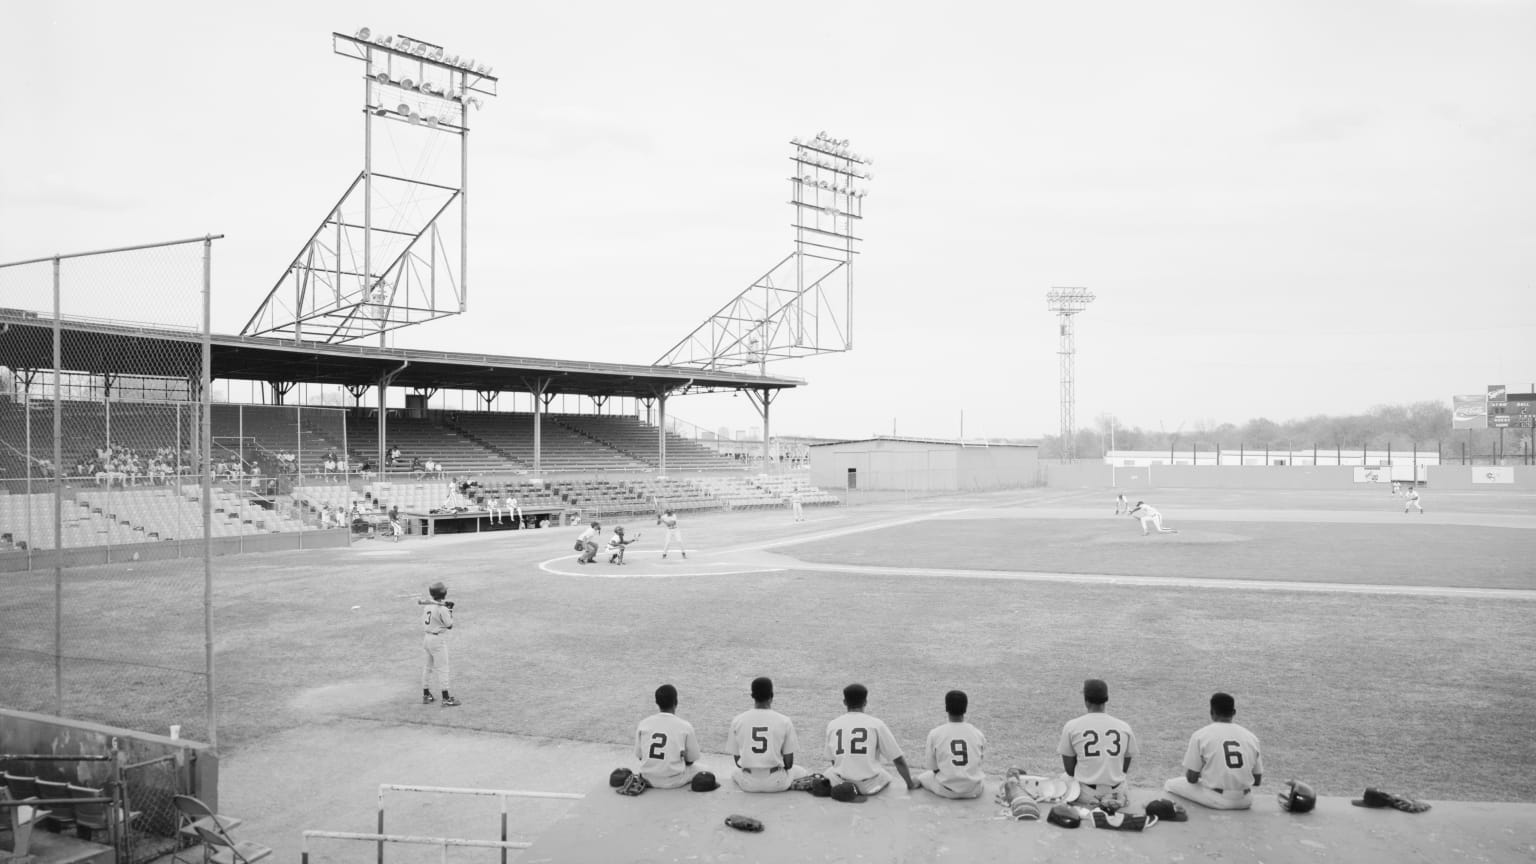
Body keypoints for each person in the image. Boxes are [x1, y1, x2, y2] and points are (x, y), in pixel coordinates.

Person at [1163, 692, 1263, 810]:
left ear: (1212, 713)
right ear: (1234, 712)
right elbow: (1257, 781)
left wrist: (1207, 772)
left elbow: (1191, 779)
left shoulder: (1201, 735)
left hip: (1217, 800)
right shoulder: (1251, 737)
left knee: (1169, 784)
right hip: (1246, 800)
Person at [1058, 678, 1139, 811]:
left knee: (1063, 778)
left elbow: (1070, 770)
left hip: (1086, 794)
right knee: (1119, 778)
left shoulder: (1072, 726)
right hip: (1118, 791)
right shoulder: (1124, 726)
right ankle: (1114, 800)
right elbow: (1124, 768)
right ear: (1106, 699)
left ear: (1086, 700)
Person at [824, 683, 919, 796]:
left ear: (844, 702)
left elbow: (834, 761)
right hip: (868, 786)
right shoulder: (876, 724)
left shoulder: (833, 724)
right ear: (865, 702)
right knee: (885, 774)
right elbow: (898, 759)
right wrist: (910, 784)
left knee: (829, 772)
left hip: (841, 783)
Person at [726, 677, 808, 792]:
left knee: (735, 771)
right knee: (802, 772)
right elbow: (789, 764)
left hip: (748, 783)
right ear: (772, 695)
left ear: (752, 696)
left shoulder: (737, 720)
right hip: (776, 783)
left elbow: (738, 762)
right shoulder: (784, 721)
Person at [916, 689, 987, 799]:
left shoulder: (935, 733)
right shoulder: (978, 733)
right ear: (965, 709)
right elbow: (978, 764)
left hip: (945, 790)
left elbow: (933, 768)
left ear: (946, 708)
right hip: (974, 790)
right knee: (978, 777)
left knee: (922, 777)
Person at [634, 684, 701, 788]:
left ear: (657, 703)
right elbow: (692, 759)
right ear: (676, 702)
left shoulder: (643, 723)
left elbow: (639, 756)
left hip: (647, 778)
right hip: (673, 781)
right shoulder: (685, 726)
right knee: (704, 770)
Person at [420, 582, 460, 707]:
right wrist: (450, 610)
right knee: (443, 669)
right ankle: (446, 698)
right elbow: (449, 625)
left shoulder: (428, 606)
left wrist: (447, 609)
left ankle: (426, 694)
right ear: (444, 593)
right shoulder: (442, 608)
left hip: (427, 639)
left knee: (428, 667)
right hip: (437, 641)